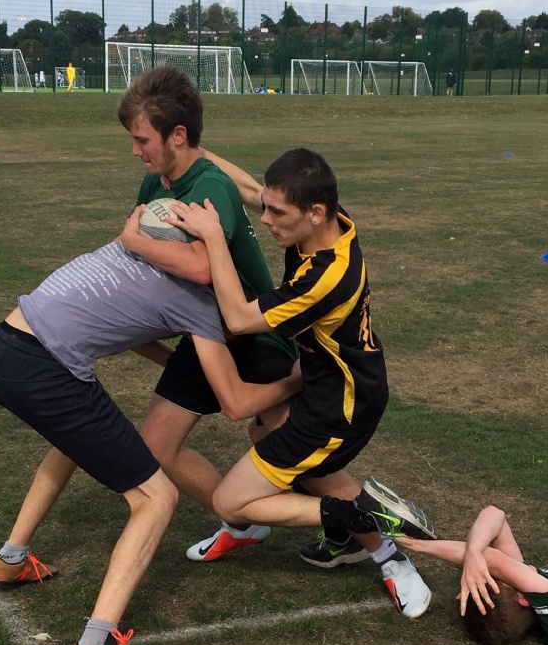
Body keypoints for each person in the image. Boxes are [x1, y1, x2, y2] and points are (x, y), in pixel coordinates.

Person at [0, 238, 301, 645]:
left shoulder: (142, 249)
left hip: (2, 349)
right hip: (45, 372)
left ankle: (10, 558)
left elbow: (139, 326)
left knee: (75, 441)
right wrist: (293, 382)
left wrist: (173, 361)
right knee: (156, 498)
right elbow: (235, 402)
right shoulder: (204, 306)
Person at [166, 148, 437, 618]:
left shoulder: (325, 277)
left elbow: (238, 317)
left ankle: (382, 541)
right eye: (268, 209)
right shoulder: (329, 220)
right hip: (326, 379)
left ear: (314, 212)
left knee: (231, 500)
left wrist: (211, 235)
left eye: (277, 213)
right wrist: (195, 154)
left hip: (341, 406)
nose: (265, 220)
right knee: (267, 433)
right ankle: (342, 541)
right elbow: (251, 190)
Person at [116, 66, 300, 562]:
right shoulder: (155, 186)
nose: (135, 151)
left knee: (292, 445)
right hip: (206, 333)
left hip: (256, 333)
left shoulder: (211, 187)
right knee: (157, 448)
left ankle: (381, 545)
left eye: (142, 140)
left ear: (177, 136)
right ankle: (242, 522)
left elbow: (201, 267)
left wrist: (133, 241)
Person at [396, 505, 548, 645]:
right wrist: (473, 556)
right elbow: (493, 558)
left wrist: (419, 545)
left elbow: (496, 517)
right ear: (524, 598)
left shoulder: (540, 611)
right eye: (500, 576)